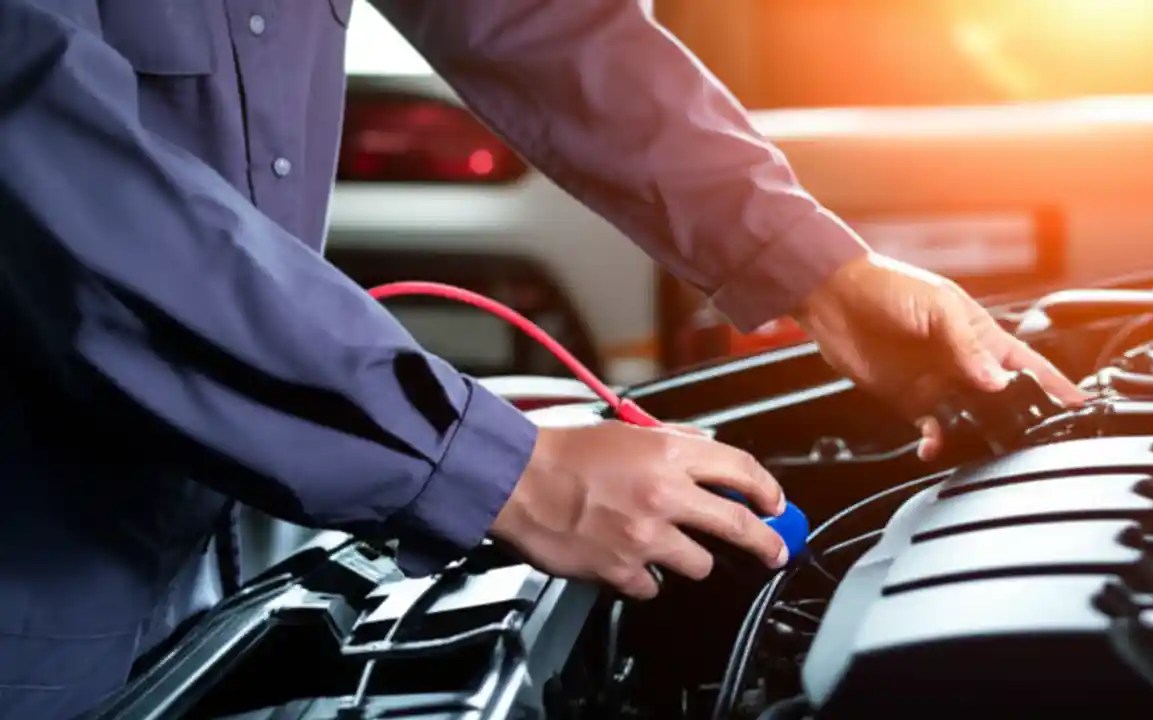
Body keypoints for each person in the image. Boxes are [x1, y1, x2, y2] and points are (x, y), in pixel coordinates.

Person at [0, 1, 1086, 717]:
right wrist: (502, 469)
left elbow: (537, 22)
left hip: (189, 528)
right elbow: (45, 165)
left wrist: (818, 273)